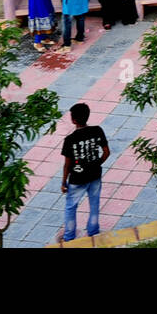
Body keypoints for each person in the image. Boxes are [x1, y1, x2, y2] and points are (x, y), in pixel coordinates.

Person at [61, 102, 110, 243]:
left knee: (71, 207)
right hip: (95, 175)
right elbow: (106, 152)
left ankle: (69, 237)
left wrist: (64, 182)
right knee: (94, 203)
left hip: (77, 178)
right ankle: (93, 232)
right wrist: (96, 164)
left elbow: (67, 164)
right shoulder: (97, 130)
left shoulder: (70, 140)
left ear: (73, 120)